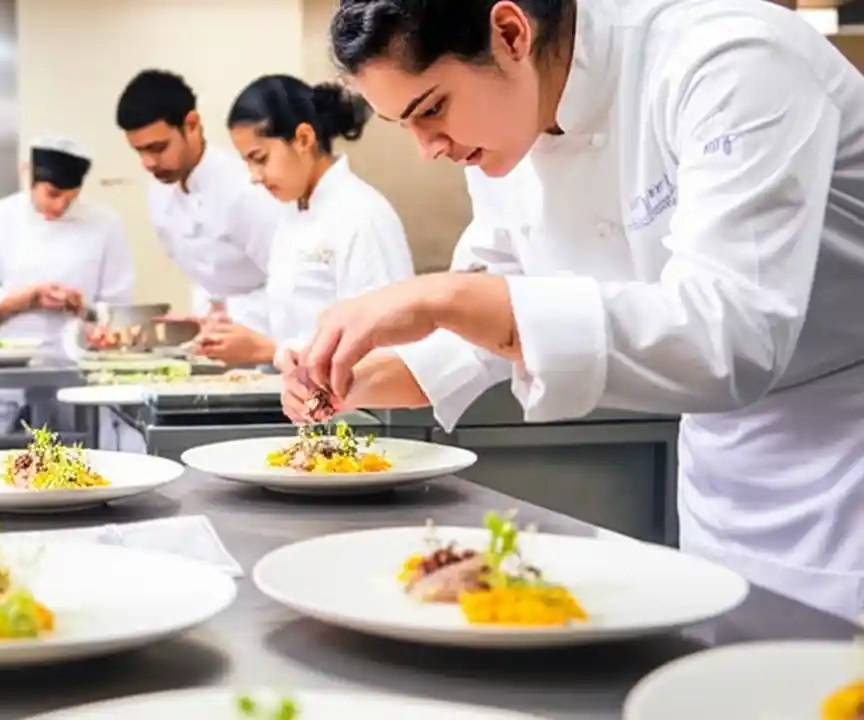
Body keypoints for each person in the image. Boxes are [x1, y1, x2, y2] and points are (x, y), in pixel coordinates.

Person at [282, 0, 864, 620]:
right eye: (407, 125)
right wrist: (356, 378)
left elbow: (732, 338)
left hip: (846, 454)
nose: (429, 148)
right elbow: (497, 294)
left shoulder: (731, 58)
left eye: (432, 109)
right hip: (722, 477)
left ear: (510, 33)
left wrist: (439, 297)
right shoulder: (509, 127)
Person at [196, 75, 415, 366]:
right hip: (306, 397)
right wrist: (230, 326)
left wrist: (270, 351)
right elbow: (295, 315)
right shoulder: (294, 212)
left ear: (303, 139)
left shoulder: (361, 214)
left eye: (260, 158)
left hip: (356, 402)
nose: (254, 177)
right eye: (247, 162)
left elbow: (384, 340)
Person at [0, 136, 136, 436]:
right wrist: (29, 299)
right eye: (52, 194)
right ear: (31, 177)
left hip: (76, 373)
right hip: (9, 373)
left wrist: (83, 309)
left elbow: (118, 307)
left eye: (70, 197)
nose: (60, 205)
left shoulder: (105, 224)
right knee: (4, 465)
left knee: (77, 462)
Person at [116, 69, 281, 334]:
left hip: (268, 340)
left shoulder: (245, 189)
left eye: (158, 148)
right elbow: (204, 281)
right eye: (139, 151)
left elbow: (293, 285)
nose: (147, 163)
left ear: (191, 125)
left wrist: (229, 315)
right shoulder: (159, 193)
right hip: (212, 339)